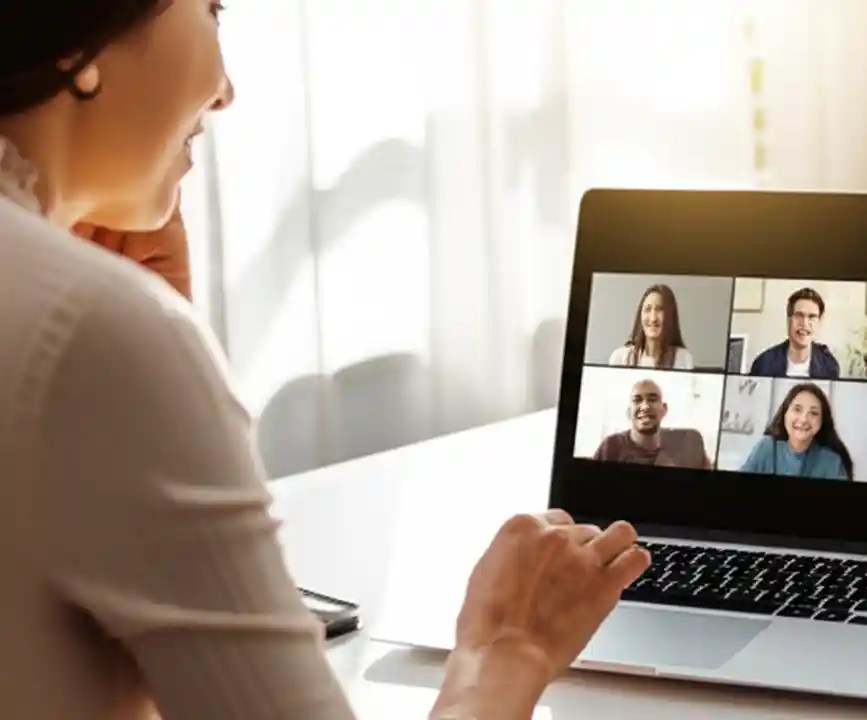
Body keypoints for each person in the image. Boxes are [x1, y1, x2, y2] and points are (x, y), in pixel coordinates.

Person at [0, 2, 649, 718]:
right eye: (212, 9)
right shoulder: (92, 335)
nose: (225, 90)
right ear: (75, 34)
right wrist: (504, 652)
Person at [739, 383, 853, 480]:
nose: (803, 419)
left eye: (813, 413)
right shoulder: (766, 447)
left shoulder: (832, 462)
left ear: (822, 420)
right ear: (785, 413)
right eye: (797, 409)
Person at [592, 378, 713, 468]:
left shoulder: (690, 442)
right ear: (629, 413)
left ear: (664, 409)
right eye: (637, 400)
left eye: (652, 399)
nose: (645, 406)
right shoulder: (610, 448)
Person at [747, 287, 840, 379]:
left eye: (812, 317)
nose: (804, 324)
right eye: (799, 315)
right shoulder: (764, 363)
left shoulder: (829, 366)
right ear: (789, 320)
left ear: (820, 322)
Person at [607, 283, 695, 369]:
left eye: (659, 309)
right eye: (647, 309)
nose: (653, 318)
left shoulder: (683, 358)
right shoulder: (620, 358)